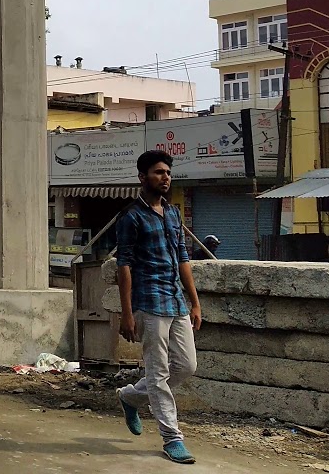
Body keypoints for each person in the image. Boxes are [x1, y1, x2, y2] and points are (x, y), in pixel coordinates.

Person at [116, 150, 203, 465]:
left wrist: (195, 302)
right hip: (149, 302)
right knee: (158, 371)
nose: (165, 177)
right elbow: (124, 265)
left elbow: (183, 258)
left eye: (167, 172)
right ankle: (172, 438)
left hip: (176, 300)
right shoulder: (130, 217)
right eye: (158, 172)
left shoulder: (173, 213)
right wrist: (127, 313)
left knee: (186, 366)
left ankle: (130, 397)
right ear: (142, 177)